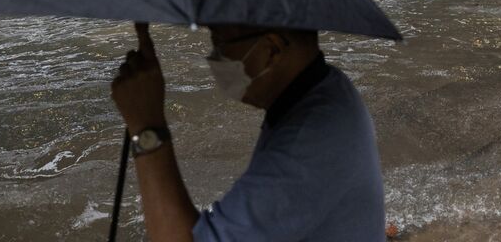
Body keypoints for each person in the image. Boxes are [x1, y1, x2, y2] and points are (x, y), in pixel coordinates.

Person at [110, 22, 385, 241]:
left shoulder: (310, 141)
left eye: (220, 42)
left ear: (271, 48)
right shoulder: (325, 89)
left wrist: (146, 125)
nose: (214, 56)